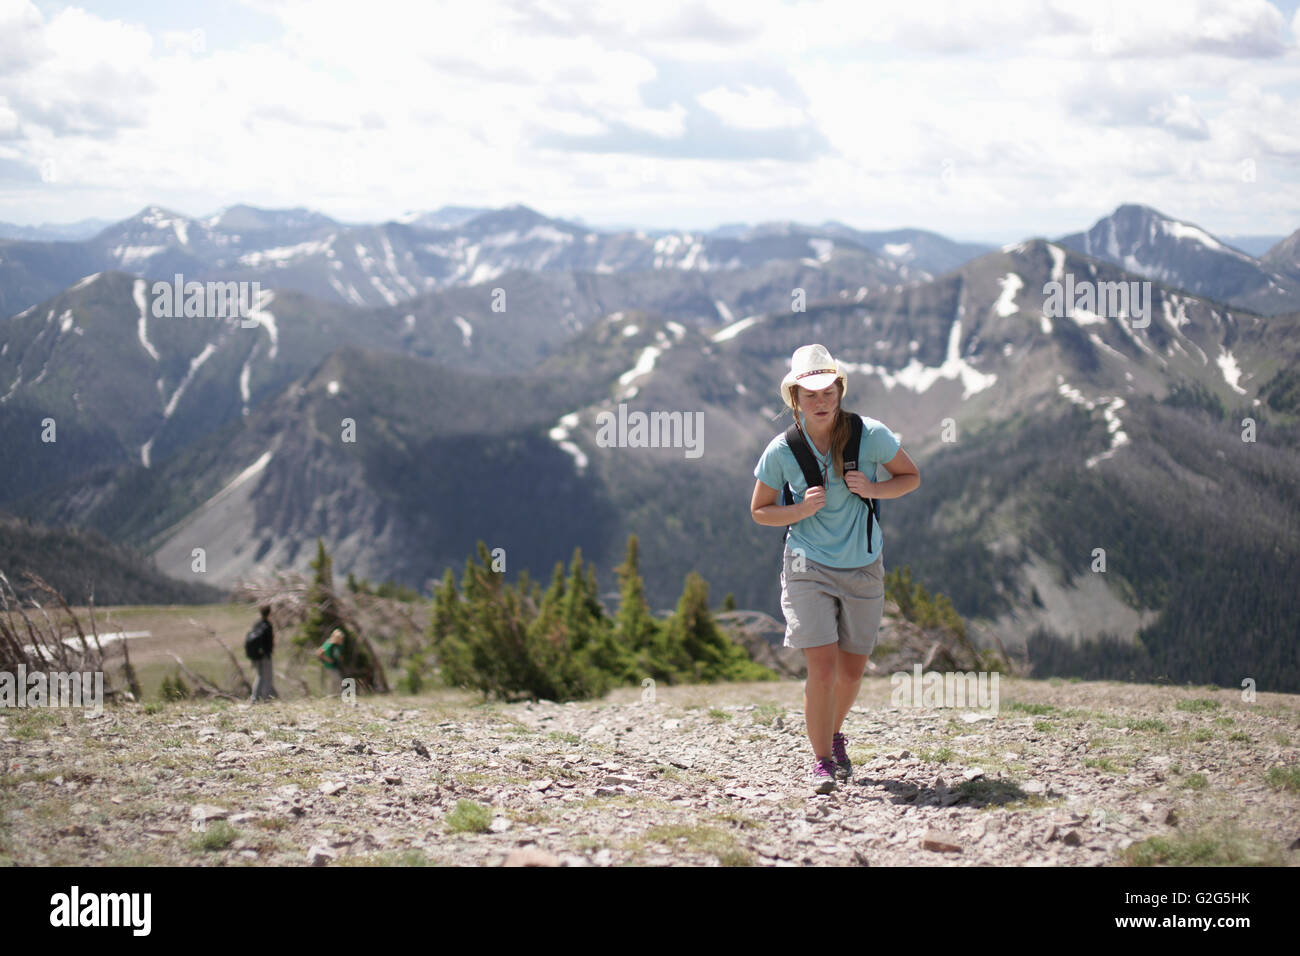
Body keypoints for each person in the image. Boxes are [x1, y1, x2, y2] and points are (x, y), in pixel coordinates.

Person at [750, 344, 920, 794]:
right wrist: (800, 512)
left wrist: (875, 488)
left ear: (840, 389)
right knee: (822, 669)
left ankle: (834, 733)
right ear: (795, 399)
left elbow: (911, 477)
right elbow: (761, 511)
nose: (821, 401)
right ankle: (822, 759)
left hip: (863, 565)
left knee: (852, 671)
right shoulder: (782, 450)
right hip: (806, 565)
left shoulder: (871, 435)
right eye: (810, 394)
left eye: (828, 391)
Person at [248, 604, 278, 701]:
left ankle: (254, 698)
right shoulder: (267, 625)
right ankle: (266, 698)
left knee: (260, 676)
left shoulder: (257, 624)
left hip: (256, 656)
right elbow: (269, 642)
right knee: (267, 677)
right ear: (269, 613)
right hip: (265, 655)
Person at [316, 627, 345, 695]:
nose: (341, 640)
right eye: (340, 638)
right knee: (338, 680)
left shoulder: (338, 645)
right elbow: (319, 653)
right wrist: (327, 659)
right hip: (329, 666)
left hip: (335, 665)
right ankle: (337, 695)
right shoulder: (329, 644)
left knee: (334, 682)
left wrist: (339, 658)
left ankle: (334, 696)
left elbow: (337, 654)